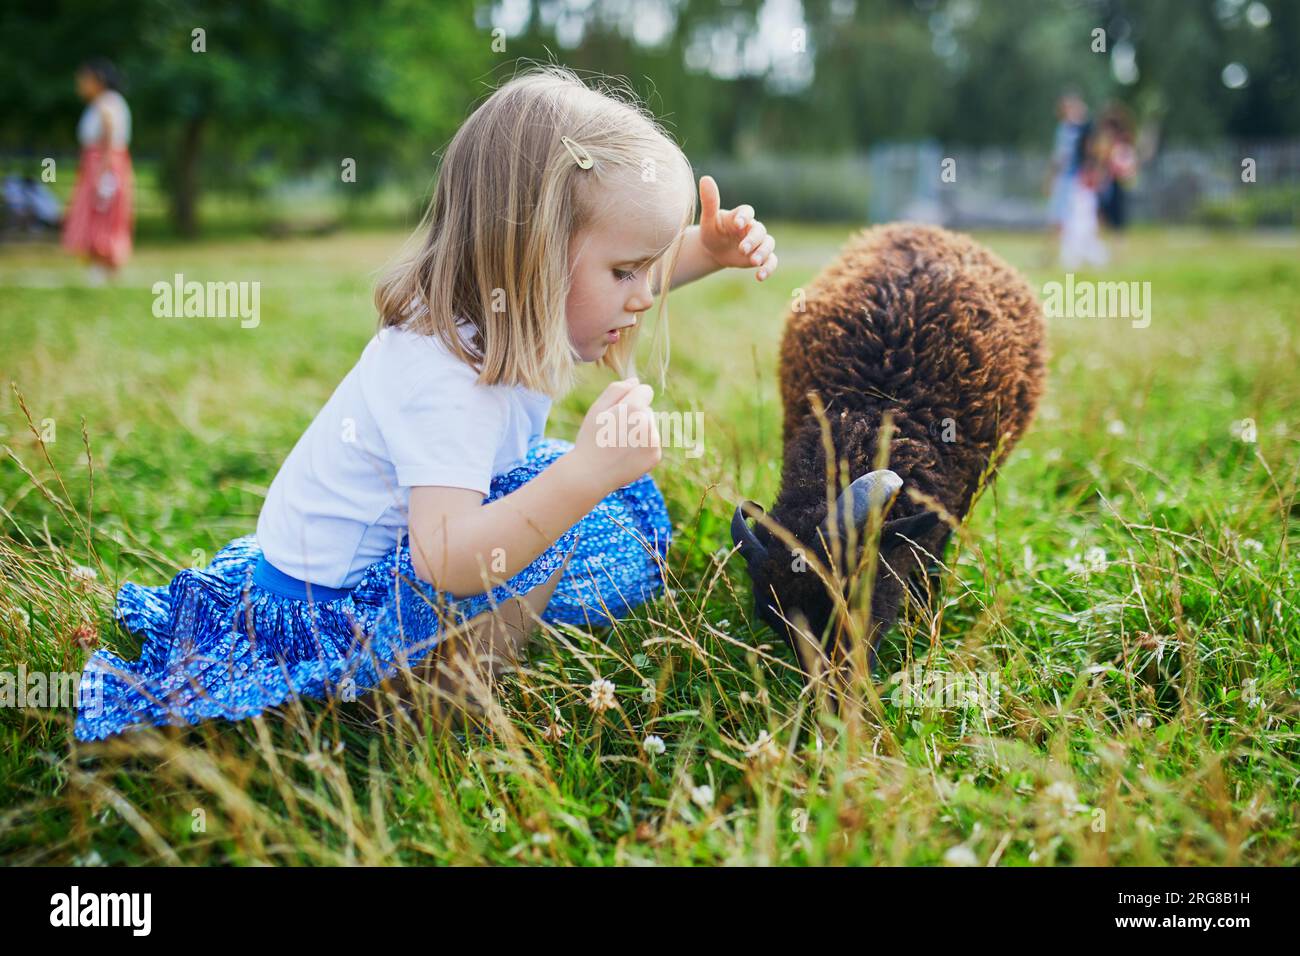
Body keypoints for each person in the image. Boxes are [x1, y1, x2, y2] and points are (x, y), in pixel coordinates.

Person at [73, 66, 779, 742]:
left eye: (650, 267)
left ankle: (454, 651)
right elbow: (446, 559)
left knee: (567, 489)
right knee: (570, 508)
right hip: (333, 619)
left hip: (350, 573)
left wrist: (708, 250)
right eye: (629, 271)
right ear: (531, 256)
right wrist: (588, 475)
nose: (646, 293)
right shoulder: (448, 379)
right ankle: (436, 699)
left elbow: (615, 268)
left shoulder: (508, 308)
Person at [61, 58, 134, 283]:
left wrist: (104, 171)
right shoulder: (106, 103)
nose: (80, 85)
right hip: (101, 164)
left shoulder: (106, 103)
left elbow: (110, 135)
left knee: (100, 213)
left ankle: (101, 269)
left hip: (103, 165)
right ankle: (101, 269)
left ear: (97, 80)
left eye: (84, 79)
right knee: (98, 213)